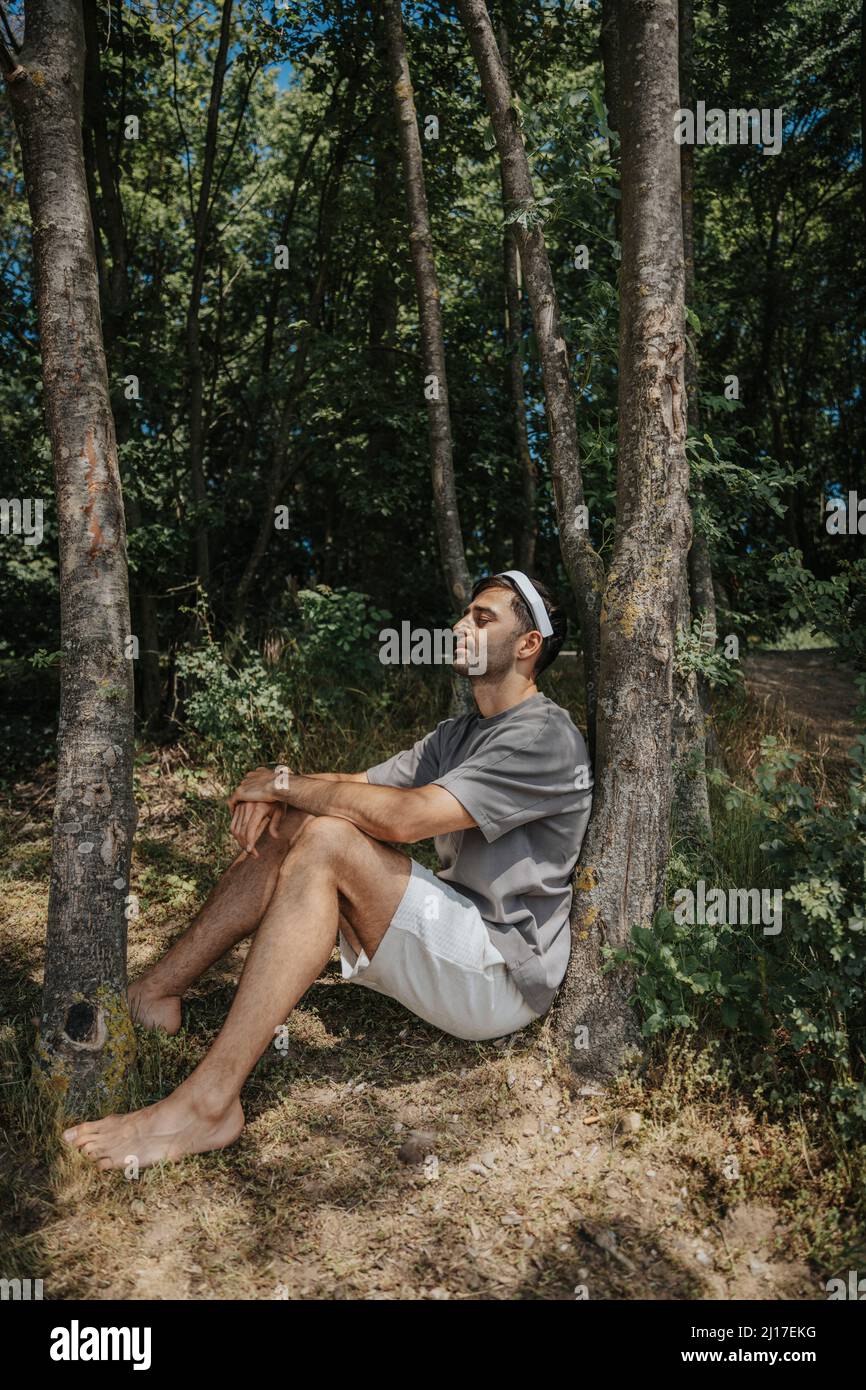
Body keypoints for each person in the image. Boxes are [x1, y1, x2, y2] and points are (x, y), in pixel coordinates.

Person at [63, 572, 593, 1169]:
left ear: (528, 646)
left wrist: (286, 787)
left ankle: (208, 1105)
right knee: (301, 822)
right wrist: (280, 786)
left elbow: (402, 819)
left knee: (327, 839)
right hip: (457, 935)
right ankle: (157, 993)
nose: (458, 628)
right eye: (464, 615)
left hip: (500, 974)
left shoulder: (543, 736)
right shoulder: (459, 733)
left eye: (482, 618)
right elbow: (359, 785)